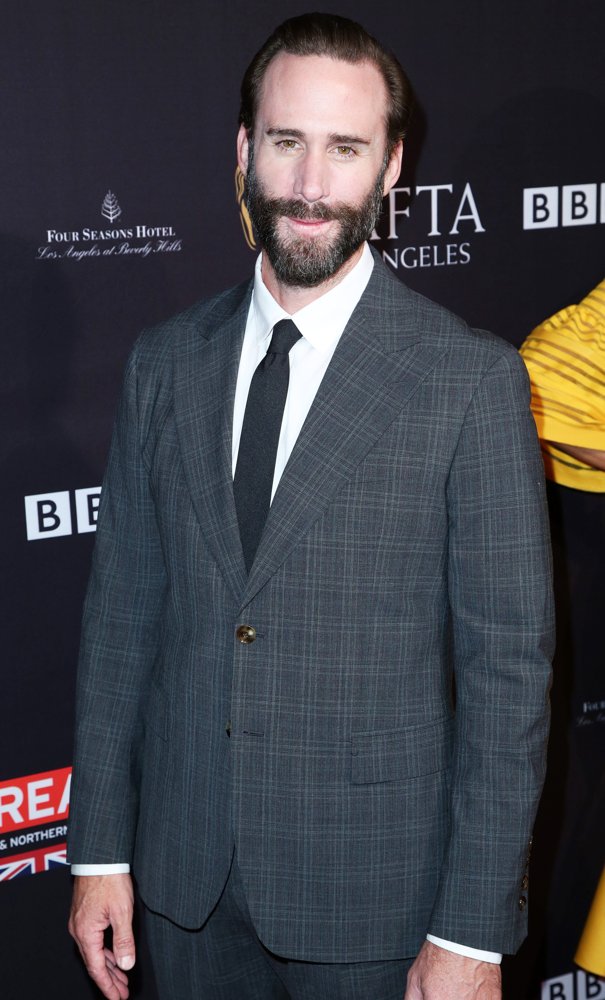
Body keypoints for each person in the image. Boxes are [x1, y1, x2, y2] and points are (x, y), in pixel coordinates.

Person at [67, 13, 554, 1000]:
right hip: (181, 885)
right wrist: (97, 851)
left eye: (345, 149)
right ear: (244, 150)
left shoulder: (467, 380)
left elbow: (505, 679)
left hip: (377, 898)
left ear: (391, 166)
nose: (308, 184)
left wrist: (471, 930)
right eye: (285, 141)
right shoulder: (164, 362)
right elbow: (121, 624)